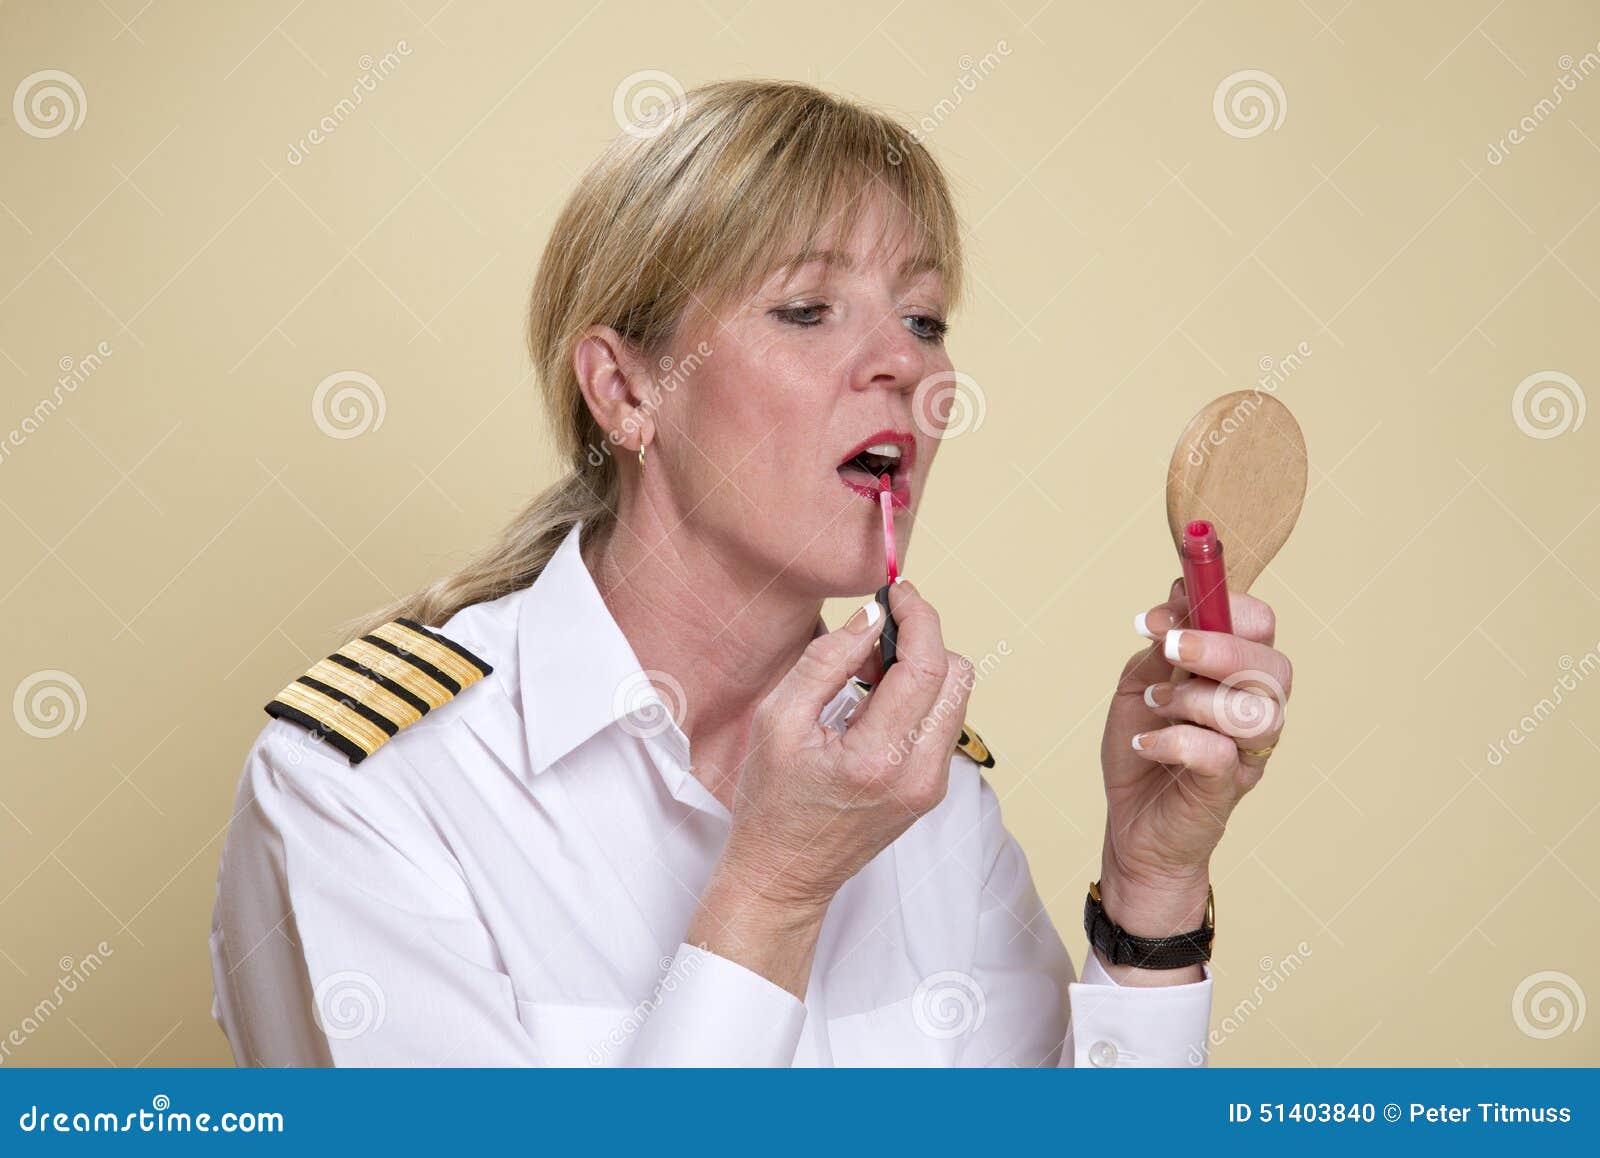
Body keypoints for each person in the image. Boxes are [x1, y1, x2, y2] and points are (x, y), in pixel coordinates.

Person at [209, 79, 1293, 1067]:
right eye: (807, 310)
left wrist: (1152, 894)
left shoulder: (928, 791)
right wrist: (773, 891)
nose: (906, 363)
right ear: (628, 390)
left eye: (922, 319)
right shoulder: (368, 788)